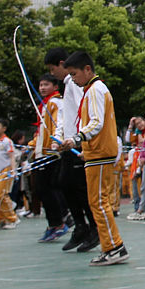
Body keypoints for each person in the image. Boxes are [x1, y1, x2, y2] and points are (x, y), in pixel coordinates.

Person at [59, 51, 128, 265]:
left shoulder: (96, 90)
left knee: (99, 202)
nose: (73, 79)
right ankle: (111, 246)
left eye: (75, 74)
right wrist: (84, 149)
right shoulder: (91, 90)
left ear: (87, 69)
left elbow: (97, 123)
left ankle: (114, 247)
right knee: (97, 202)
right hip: (94, 153)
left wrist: (76, 139)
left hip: (100, 154)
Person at [46, 47, 98, 253]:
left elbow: (83, 112)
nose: (52, 74)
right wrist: (60, 138)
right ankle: (81, 226)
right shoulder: (67, 85)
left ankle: (92, 227)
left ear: (62, 64)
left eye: (52, 69)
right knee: (63, 183)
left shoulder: (77, 85)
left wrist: (78, 139)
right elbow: (66, 117)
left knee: (78, 187)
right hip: (69, 143)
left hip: (78, 144)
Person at [29, 73, 69, 242]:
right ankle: (59, 220)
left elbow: (60, 123)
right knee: (44, 188)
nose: (42, 88)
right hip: (42, 151)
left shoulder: (55, 102)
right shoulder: (45, 104)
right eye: (40, 85)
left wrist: (55, 143)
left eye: (46, 85)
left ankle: (58, 223)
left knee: (45, 187)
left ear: (55, 87)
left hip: (50, 152)